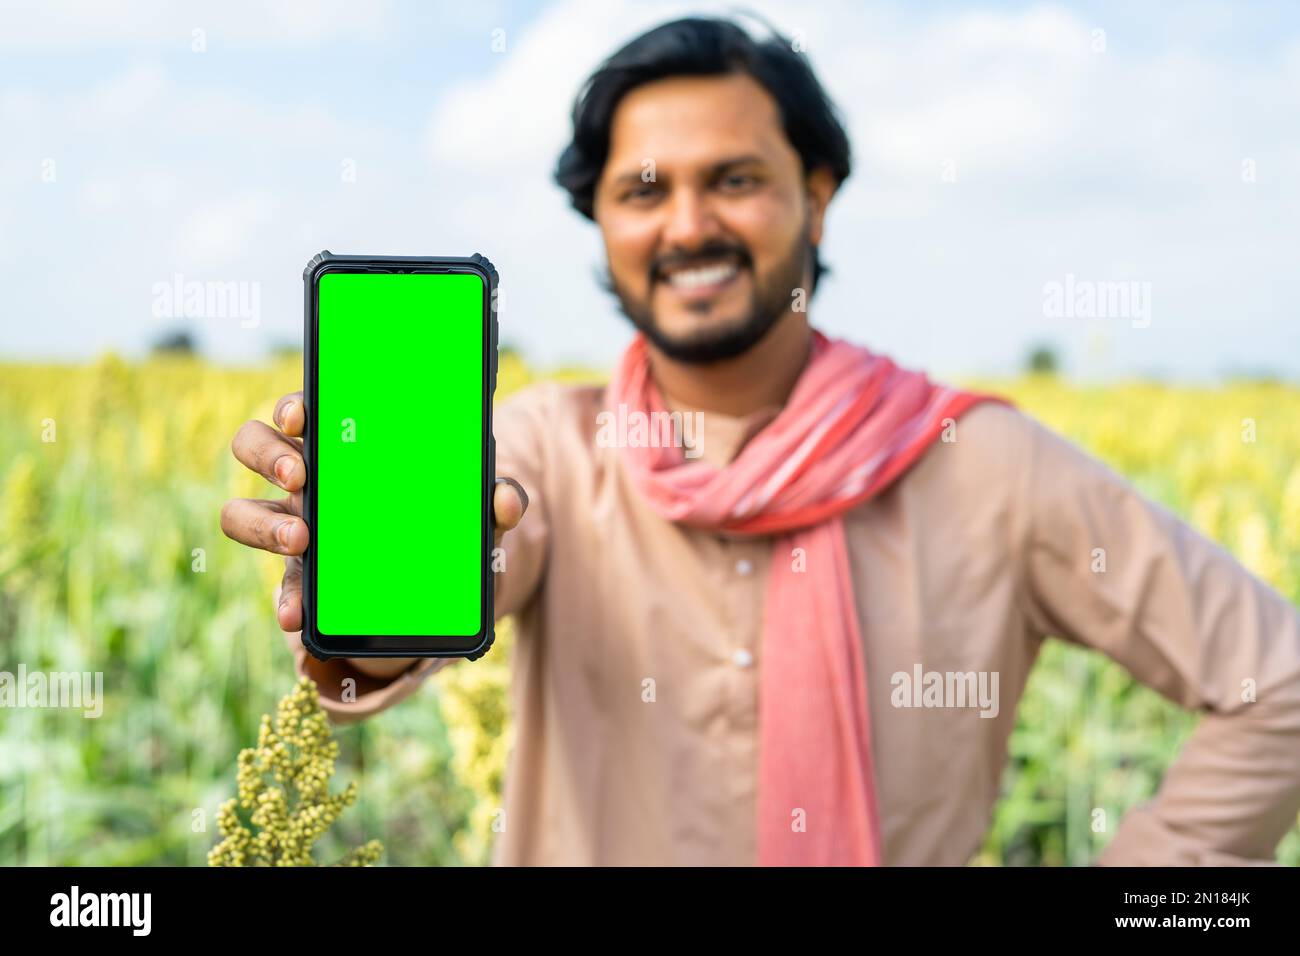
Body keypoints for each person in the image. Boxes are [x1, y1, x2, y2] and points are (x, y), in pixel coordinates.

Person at [220, 16, 1300, 866]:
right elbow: (427, 604)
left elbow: (1279, 682)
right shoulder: (543, 447)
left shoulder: (985, 467)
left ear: (816, 200)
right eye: (642, 188)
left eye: (734, 179)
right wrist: (354, 596)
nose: (687, 223)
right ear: (597, 219)